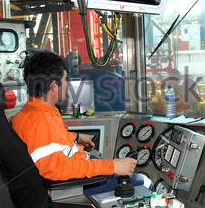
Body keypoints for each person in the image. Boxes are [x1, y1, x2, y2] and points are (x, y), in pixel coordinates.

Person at [12, 51, 144, 195]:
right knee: (143, 182)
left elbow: (51, 142)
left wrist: (75, 137)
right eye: (64, 80)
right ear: (53, 86)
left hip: (78, 172)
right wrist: (111, 166)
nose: (66, 85)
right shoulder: (41, 121)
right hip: (74, 187)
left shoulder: (31, 112)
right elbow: (55, 169)